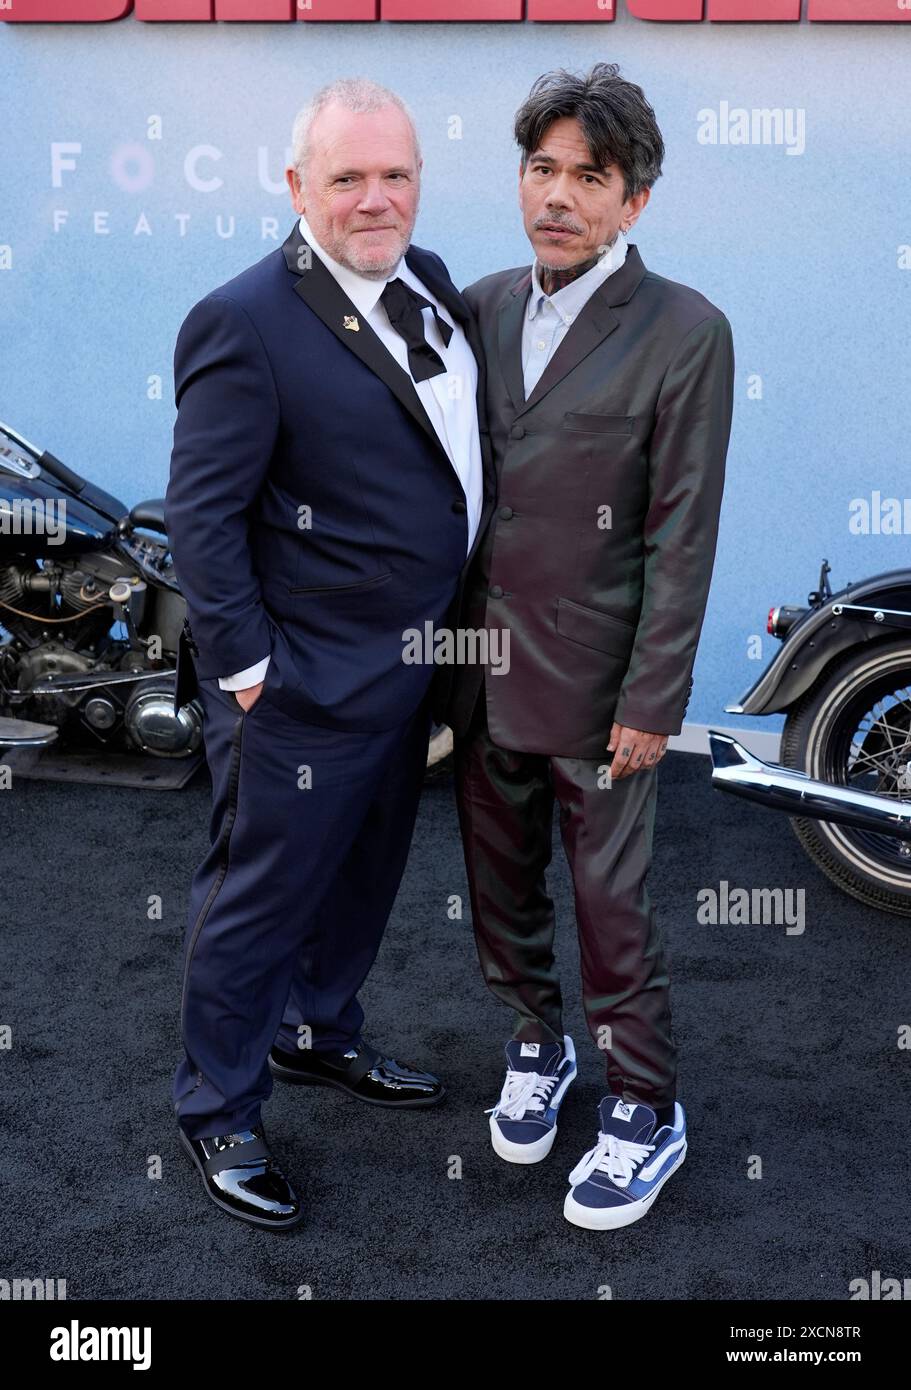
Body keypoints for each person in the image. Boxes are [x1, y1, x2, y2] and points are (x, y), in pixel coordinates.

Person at [166, 77, 492, 1230]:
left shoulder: (433, 281)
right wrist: (251, 675)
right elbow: (200, 518)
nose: (374, 198)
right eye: (346, 177)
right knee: (257, 896)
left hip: (408, 672)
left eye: (393, 173)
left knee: (362, 879)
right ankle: (217, 1108)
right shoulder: (244, 319)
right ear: (296, 184)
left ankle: (316, 1032)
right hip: (299, 684)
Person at [445, 62, 735, 1230]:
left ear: (635, 200)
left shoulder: (686, 331)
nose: (556, 195)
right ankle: (535, 1041)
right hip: (481, 673)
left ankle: (645, 1105)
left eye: (587, 177)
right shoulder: (477, 307)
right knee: (497, 885)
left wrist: (654, 697)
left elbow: (681, 528)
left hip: (604, 683)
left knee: (610, 904)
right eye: (540, 169)